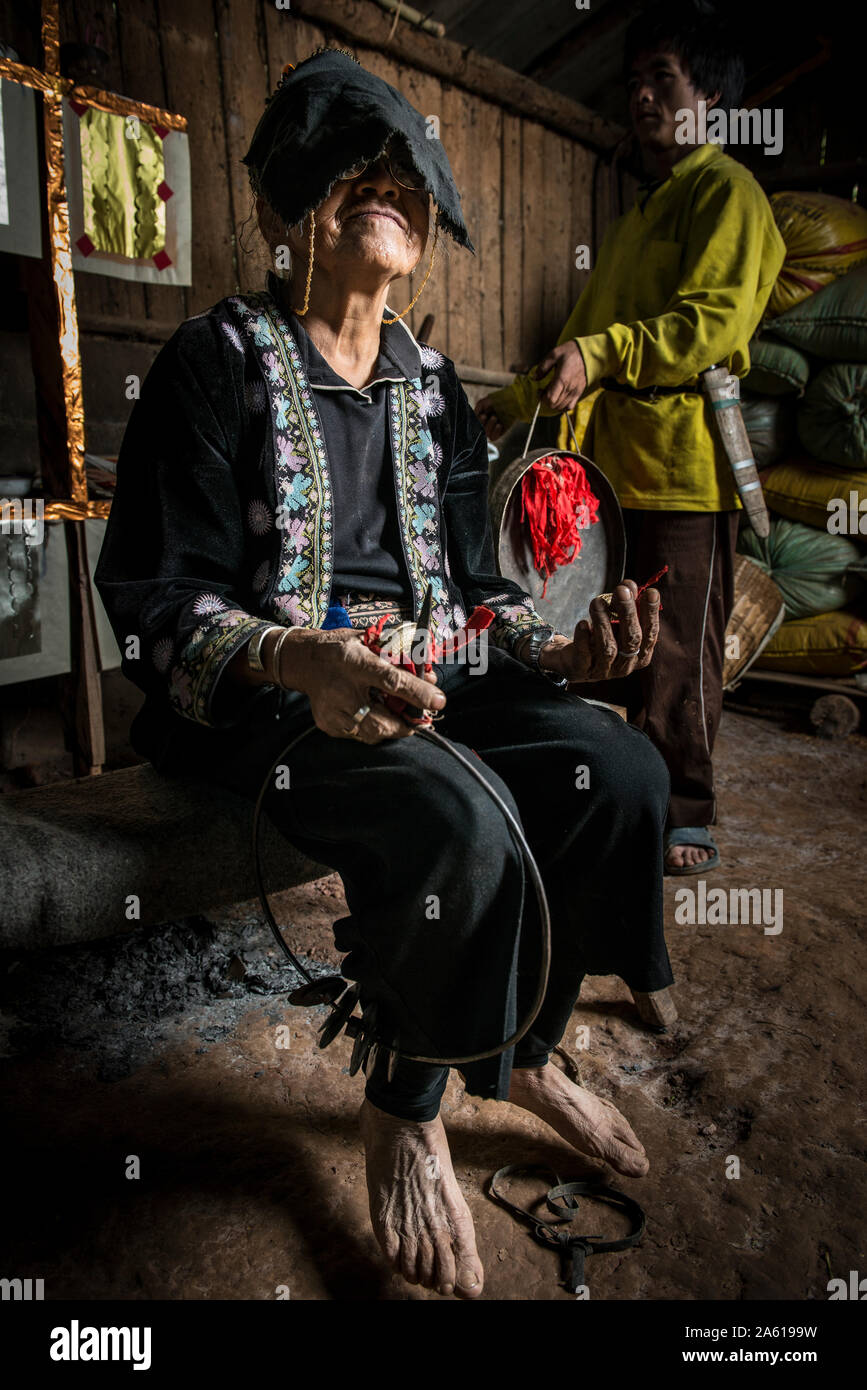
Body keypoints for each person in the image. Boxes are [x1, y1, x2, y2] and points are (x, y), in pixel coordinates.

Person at [95, 48, 673, 1300]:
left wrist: (564, 652)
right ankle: (408, 1101)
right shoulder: (215, 363)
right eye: (357, 165)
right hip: (271, 696)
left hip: (424, 672)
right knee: (455, 812)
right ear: (281, 203)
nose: (393, 189)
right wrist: (303, 656)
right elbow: (154, 600)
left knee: (618, 764)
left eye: (411, 176)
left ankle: (515, 1043)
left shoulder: (430, 389)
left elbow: (482, 595)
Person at [477, 1, 786, 877]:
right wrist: (511, 402)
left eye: (664, 80)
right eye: (635, 83)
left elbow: (707, 327)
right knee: (607, 633)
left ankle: (684, 808)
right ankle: (616, 795)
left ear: (714, 98)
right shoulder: (637, 220)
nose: (642, 97)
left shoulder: (727, 193)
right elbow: (583, 338)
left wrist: (602, 351)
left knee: (681, 648)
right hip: (614, 473)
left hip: (687, 469)